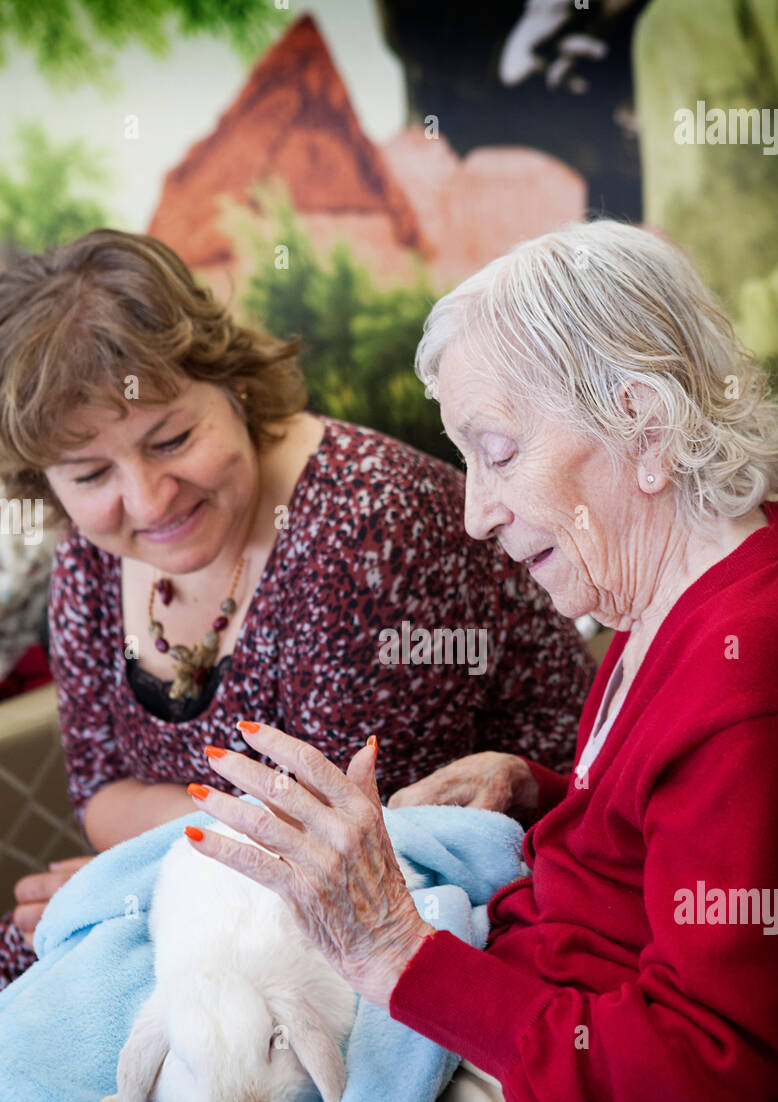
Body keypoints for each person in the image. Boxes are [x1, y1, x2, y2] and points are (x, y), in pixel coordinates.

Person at [170, 218, 778, 1102]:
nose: (474, 513)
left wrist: (398, 952)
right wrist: (536, 788)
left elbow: (714, 1084)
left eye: (495, 453)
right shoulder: (691, 593)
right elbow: (676, 834)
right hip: (528, 1003)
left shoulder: (751, 667)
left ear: (641, 421)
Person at [0, 228, 594, 987]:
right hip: (221, 896)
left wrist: (138, 874)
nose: (147, 499)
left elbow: (352, 846)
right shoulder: (89, 545)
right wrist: (167, 864)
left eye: (172, 438)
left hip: (456, 909)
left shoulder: (371, 528)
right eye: (88, 473)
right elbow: (99, 795)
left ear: (235, 386)